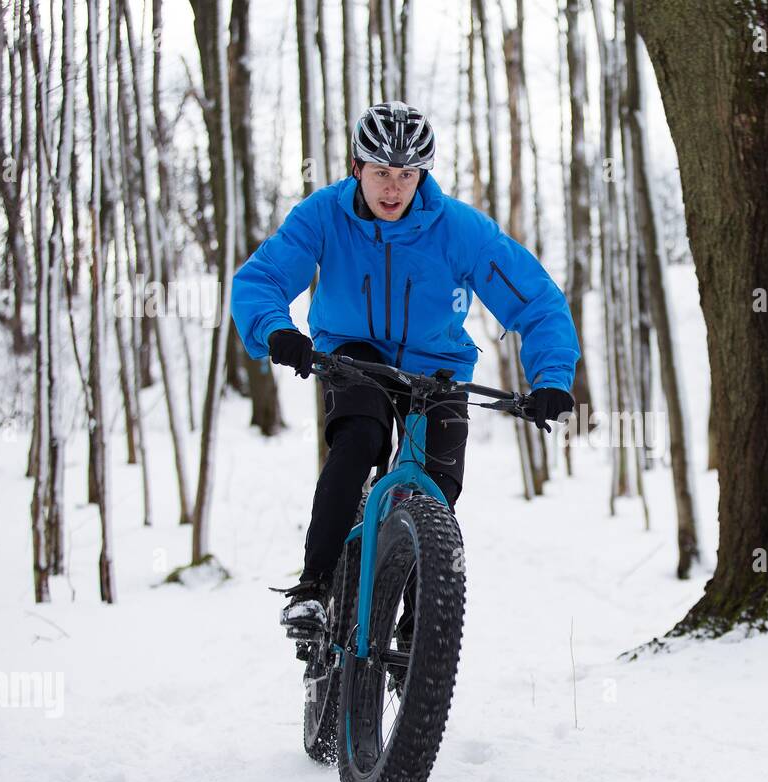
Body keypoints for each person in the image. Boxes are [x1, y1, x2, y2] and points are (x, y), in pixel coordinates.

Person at [230, 101, 580, 635]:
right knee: (359, 440)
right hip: (353, 357)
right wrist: (276, 329)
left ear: (423, 175)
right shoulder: (322, 216)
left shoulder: (459, 230)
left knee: (437, 484)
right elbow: (263, 280)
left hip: (437, 368)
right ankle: (314, 587)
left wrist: (552, 378)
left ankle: (421, 638)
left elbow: (536, 301)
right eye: (381, 174)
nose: (393, 189)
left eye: (407, 175)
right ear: (357, 170)